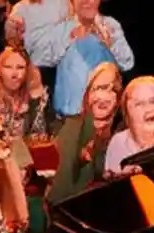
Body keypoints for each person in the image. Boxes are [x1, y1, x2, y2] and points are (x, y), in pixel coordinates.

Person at [36, 0, 134, 118]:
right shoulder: (61, 28)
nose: (87, 1)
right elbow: (46, 61)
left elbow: (127, 63)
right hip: (68, 117)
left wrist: (110, 41)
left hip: (105, 115)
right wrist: (69, 36)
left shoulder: (111, 25)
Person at [49, 62, 120, 204]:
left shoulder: (121, 131)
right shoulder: (74, 127)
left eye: (112, 90)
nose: (103, 97)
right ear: (87, 94)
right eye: (99, 88)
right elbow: (61, 189)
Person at [105, 76, 154, 176]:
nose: (148, 109)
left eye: (153, 101)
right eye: (139, 104)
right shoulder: (118, 143)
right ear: (127, 113)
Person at [0, 46, 50, 169]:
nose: (14, 74)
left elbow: (39, 136)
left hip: (26, 165)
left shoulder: (34, 100)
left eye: (20, 68)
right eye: (8, 67)